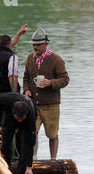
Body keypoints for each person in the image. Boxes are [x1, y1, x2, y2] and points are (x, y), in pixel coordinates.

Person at [22, 28, 69, 160]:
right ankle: (34, 159)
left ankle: (53, 160)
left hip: (51, 105)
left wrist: (51, 82)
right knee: (33, 132)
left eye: (38, 44)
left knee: (52, 134)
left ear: (46, 44)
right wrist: (26, 89)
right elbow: (26, 77)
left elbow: (65, 79)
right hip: (33, 104)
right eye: (34, 44)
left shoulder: (56, 59)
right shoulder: (29, 59)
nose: (35, 47)